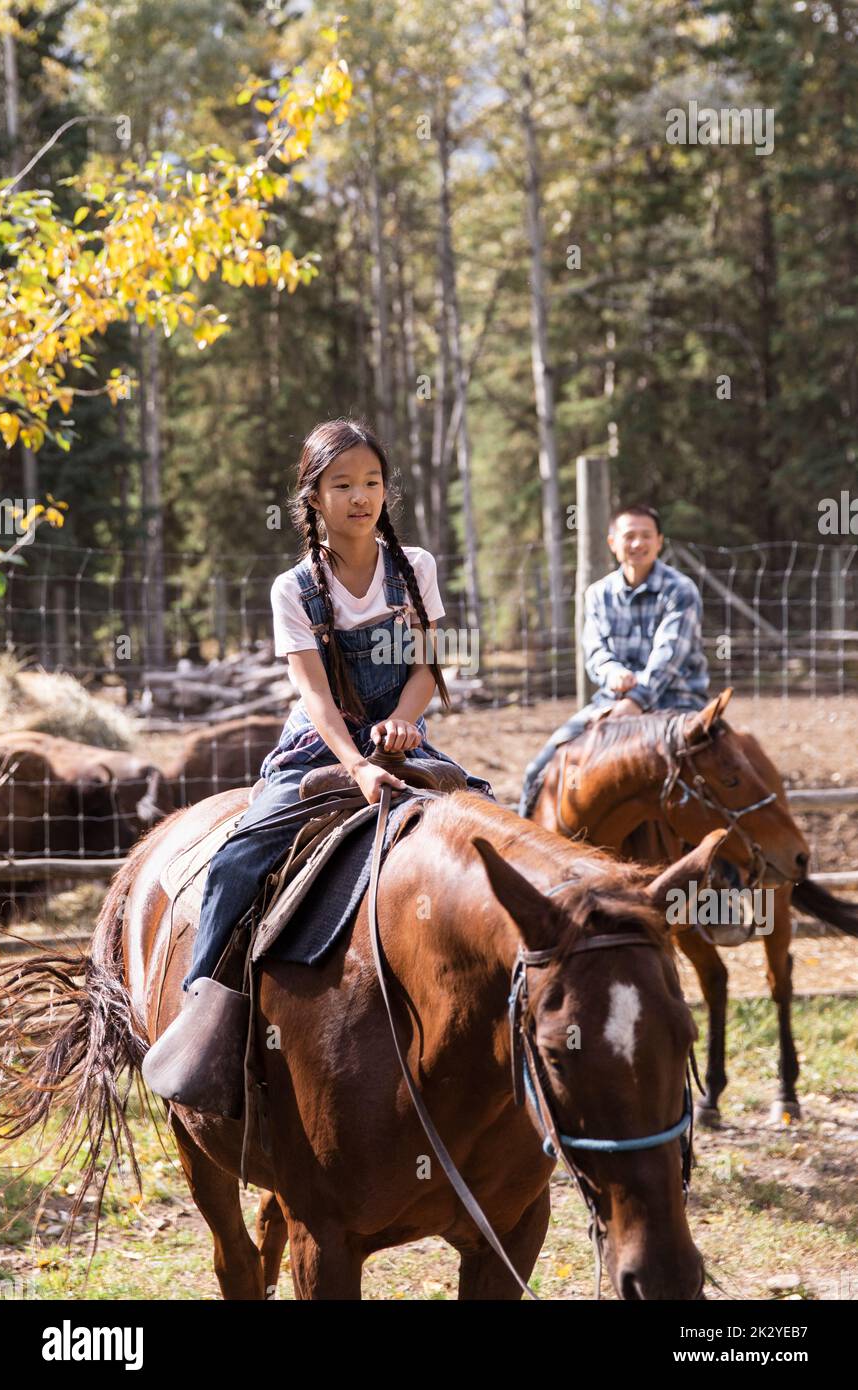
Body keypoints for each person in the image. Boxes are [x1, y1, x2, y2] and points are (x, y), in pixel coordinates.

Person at [181, 418, 492, 994]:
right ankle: (202, 1004)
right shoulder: (292, 589)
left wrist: (403, 721)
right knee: (237, 861)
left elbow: (427, 669)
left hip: (402, 738)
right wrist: (358, 765)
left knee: (486, 816)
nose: (361, 497)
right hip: (321, 746)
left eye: (372, 482)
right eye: (344, 484)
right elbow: (315, 697)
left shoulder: (415, 568)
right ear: (315, 497)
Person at [517, 504, 710, 818]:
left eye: (646, 536)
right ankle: (527, 853)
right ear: (613, 543)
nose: (637, 544)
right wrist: (613, 674)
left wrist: (635, 702)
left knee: (715, 788)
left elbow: (670, 656)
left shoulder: (680, 591)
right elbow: (595, 652)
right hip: (611, 703)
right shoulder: (598, 594)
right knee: (538, 771)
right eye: (629, 536)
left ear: (659, 541)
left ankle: (725, 866)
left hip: (677, 703)